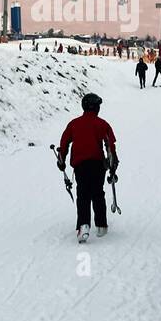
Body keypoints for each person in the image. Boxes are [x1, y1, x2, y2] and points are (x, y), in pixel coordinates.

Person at [58, 93, 119, 242]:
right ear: (96, 107)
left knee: (83, 194)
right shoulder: (103, 124)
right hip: (98, 164)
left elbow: (64, 143)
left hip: (80, 165)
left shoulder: (74, 123)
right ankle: (101, 225)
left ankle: (83, 226)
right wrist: (113, 164)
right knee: (98, 193)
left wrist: (62, 160)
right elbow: (110, 146)